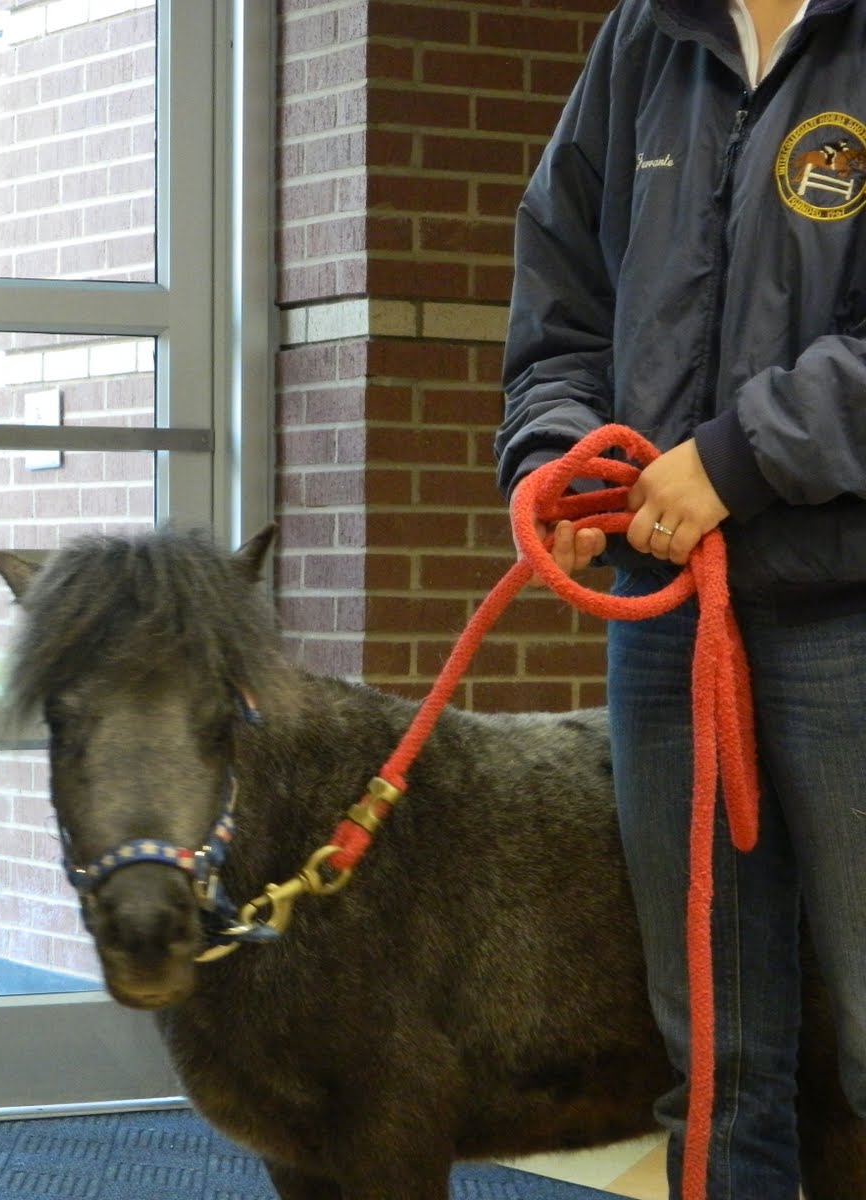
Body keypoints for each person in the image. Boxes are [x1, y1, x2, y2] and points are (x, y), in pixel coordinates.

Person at [496, 0, 866, 1194]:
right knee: (713, 1063)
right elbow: (560, 297)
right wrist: (557, 458)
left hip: (847, 615)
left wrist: (732, 460)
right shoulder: (644, 38)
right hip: (672, 624)